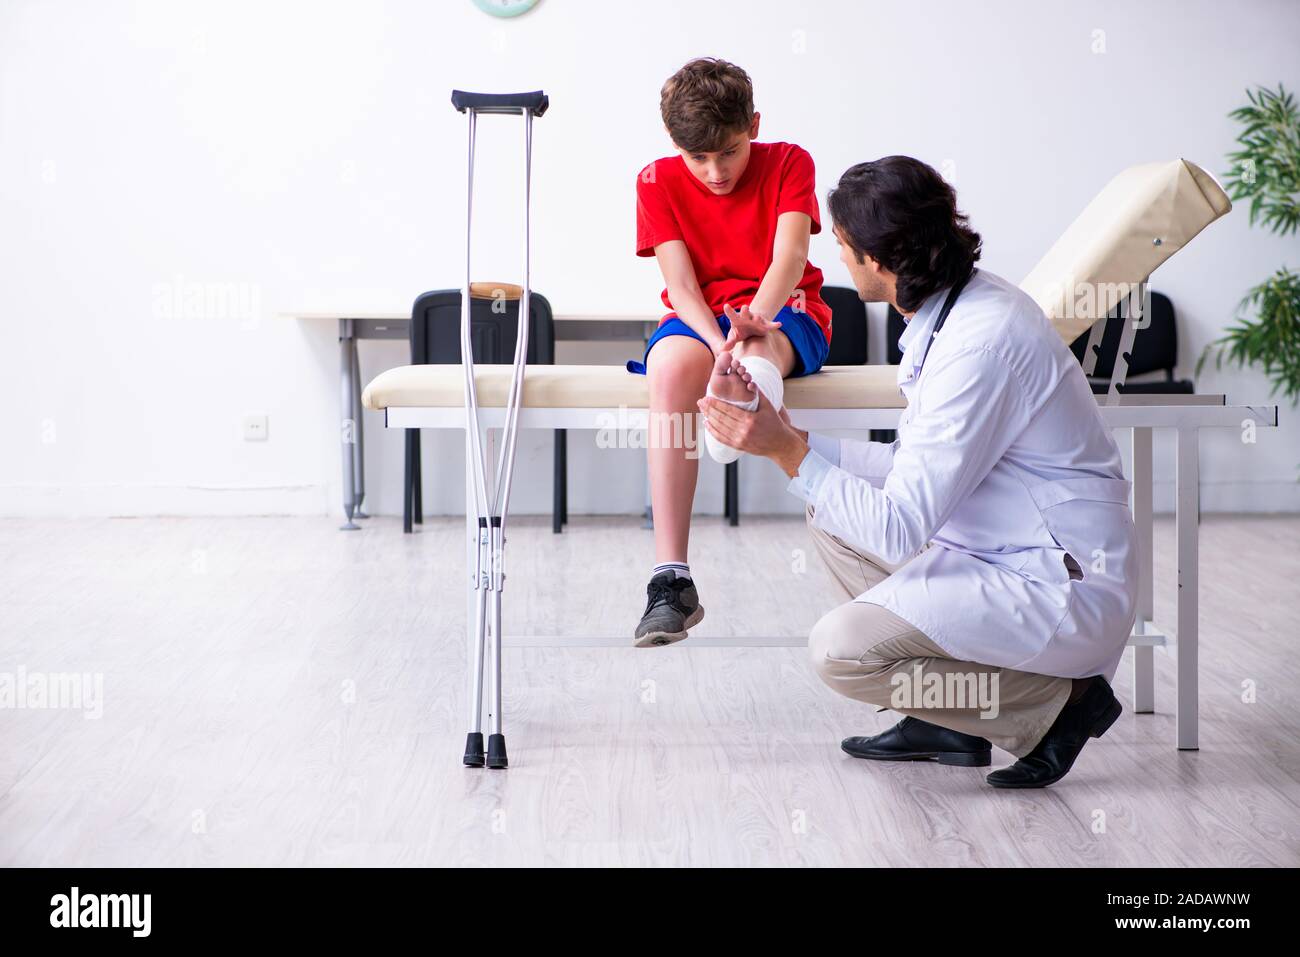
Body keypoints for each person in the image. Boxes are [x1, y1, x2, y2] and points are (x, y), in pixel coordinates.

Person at [698, 156, 1139, 789]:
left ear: (879, 262)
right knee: (829, 512)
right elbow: (911, 470)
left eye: (845, 250)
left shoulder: (980, 344)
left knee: (841, 651)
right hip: (1001, 545)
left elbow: (900, 528)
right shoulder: (958, 310)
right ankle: (947, 720)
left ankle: (1055, 707)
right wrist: (789, 437)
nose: (840, 262)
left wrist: (784, 452)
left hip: (1061, 581)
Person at [628, 57, 833, 649]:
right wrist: (720, 342)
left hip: (783, 306)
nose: (716, 172)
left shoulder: (790, 161)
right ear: (675, 145)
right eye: (699, 159)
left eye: (730, 152)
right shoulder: (654, 180)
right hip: (701, 319)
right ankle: (672, 579)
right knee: (668, 367)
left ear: (755, 126)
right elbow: (684, 288)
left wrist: (752, 326)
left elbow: (789, 260)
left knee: (761, 347)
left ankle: (742, 397)